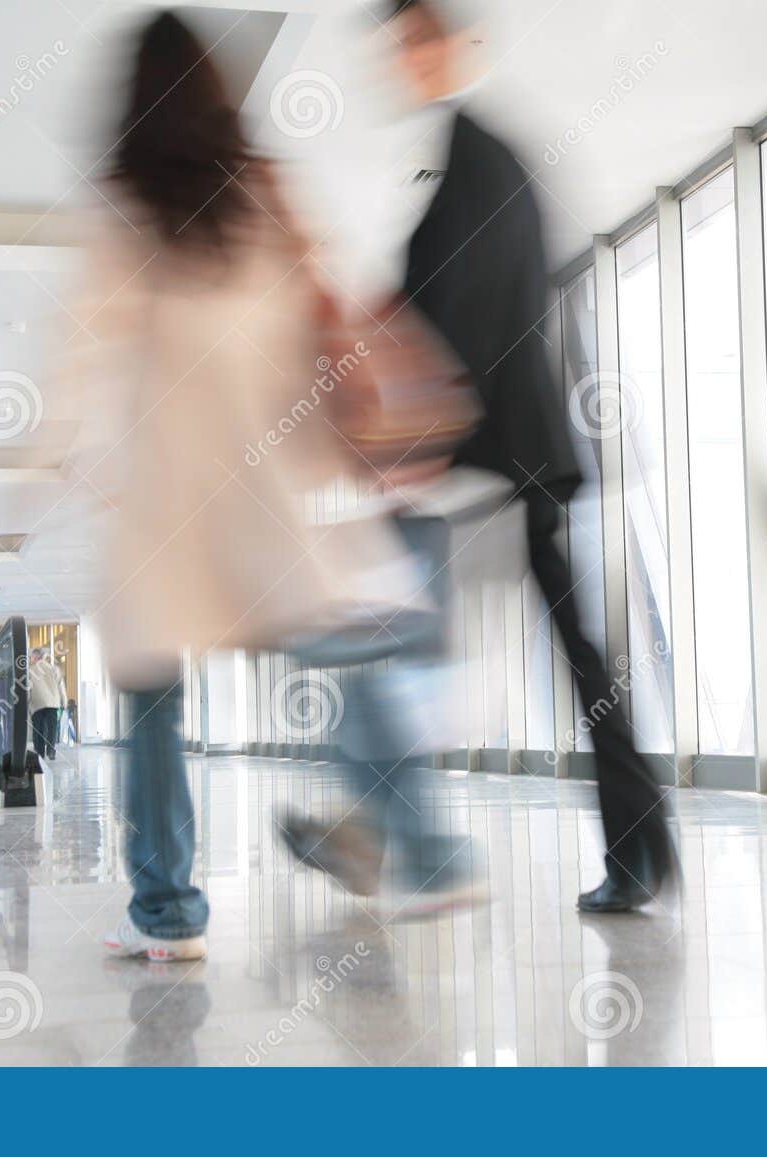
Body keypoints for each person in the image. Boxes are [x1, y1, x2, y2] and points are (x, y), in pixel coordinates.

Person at [55, 12, 414, 958]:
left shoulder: (124, 208)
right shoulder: (260, 193)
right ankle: (383, 817)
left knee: (152, 695)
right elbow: (321, 312)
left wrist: (61, 461)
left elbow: (84, 347)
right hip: (266, 471)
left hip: (168, 487)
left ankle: (170, 915)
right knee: (329, 635)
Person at [383, 0, 673, 911]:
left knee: (396, 625)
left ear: (449, 47)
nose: (401, 61)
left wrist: (423, 442)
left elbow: (473, 308)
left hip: (496, 453)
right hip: (516, 451)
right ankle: (639, 845)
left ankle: (400, 834)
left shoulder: (476, 157)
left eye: (413, 43)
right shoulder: (486, 154)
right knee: (570, 654)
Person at [28, 646, 66, 759]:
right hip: (53, 703)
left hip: (37, 704)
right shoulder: (54, 669)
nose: (30, 659)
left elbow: (27, 688)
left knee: (38, 729)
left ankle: (39, 752)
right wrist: (64, 701)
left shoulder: (30, 671)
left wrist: (27, 703)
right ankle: (50, 750)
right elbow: (61, 686)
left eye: (31, 657)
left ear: (35, 657)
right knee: (52, 728)